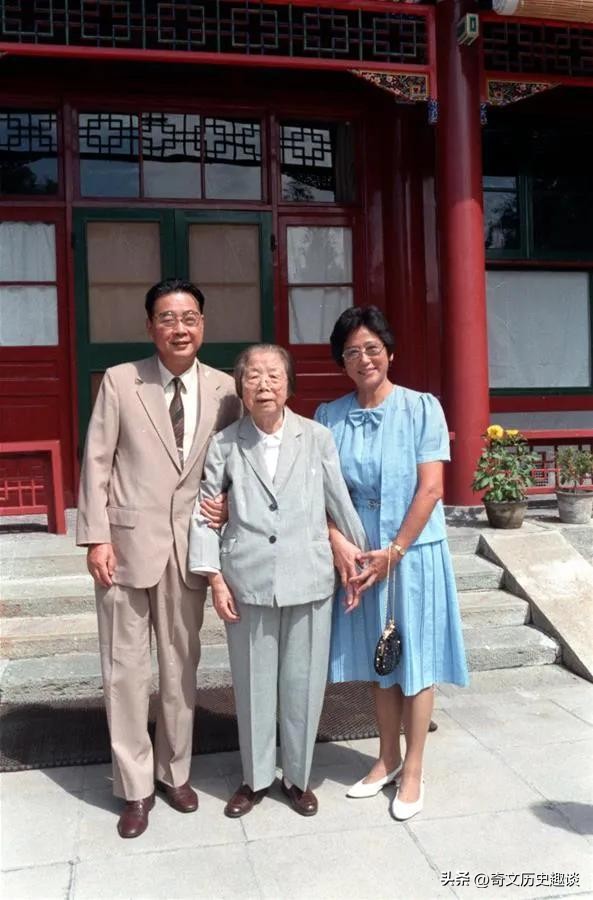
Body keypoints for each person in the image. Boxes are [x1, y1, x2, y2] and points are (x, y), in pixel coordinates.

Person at [76, 278, 241, 838]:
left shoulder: (225, 390)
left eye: (190, 317)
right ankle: (134, 788)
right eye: (168, 318)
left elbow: (233, 465)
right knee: (125, 671)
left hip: (190, 548)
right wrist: (96, 537)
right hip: (123, 546)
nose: (180, 328)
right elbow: (97, 460)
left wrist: (227, 516)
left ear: (203, 324)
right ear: (150, 326)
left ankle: (175, 773)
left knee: (180, 668)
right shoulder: (123, 381)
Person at [190, 344, 367, 819]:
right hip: (245, 579)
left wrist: (357, 556)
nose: (264, 385)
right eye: (253, 377)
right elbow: (205, 514)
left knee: (302, 684)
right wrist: (214, 580)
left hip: (308, 578)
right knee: (252, 685)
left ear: (289, 384)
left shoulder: (317, 437)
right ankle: (255, 778)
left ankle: (298, 777)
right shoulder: (225, 443)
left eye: (273, 376)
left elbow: (338, 502)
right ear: (240, 387)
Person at [314, 306, 468, 821]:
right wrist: (339, 539)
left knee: (416, 660)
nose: (364, 359)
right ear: (342, 361)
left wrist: (395, 550)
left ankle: (415, 770)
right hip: (360, 555)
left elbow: (431, 488)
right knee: (380, 663)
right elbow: (319, 492)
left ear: (390, 353)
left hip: (412, 553)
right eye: (352, 352)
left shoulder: (423, 408)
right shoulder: (328, 417)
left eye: (372, 349)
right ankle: (386, 758)